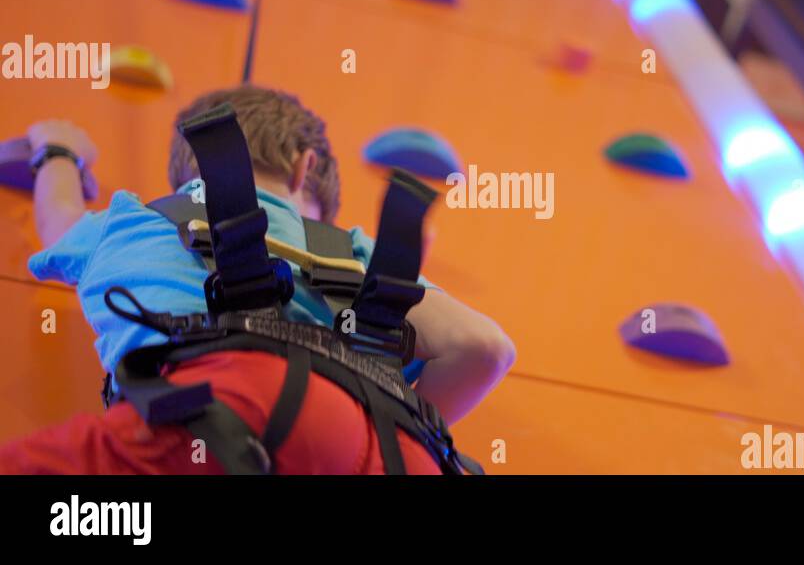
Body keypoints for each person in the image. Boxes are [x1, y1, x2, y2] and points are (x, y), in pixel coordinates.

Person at [0, 84, 515, 474]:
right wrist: (390, 428)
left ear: (186, 179)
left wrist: (59, 152)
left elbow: (58, 222)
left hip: (208, 409)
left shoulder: (136, 222)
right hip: (385, 447)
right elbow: (485, 347)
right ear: (303, 167)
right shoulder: (354, 252)